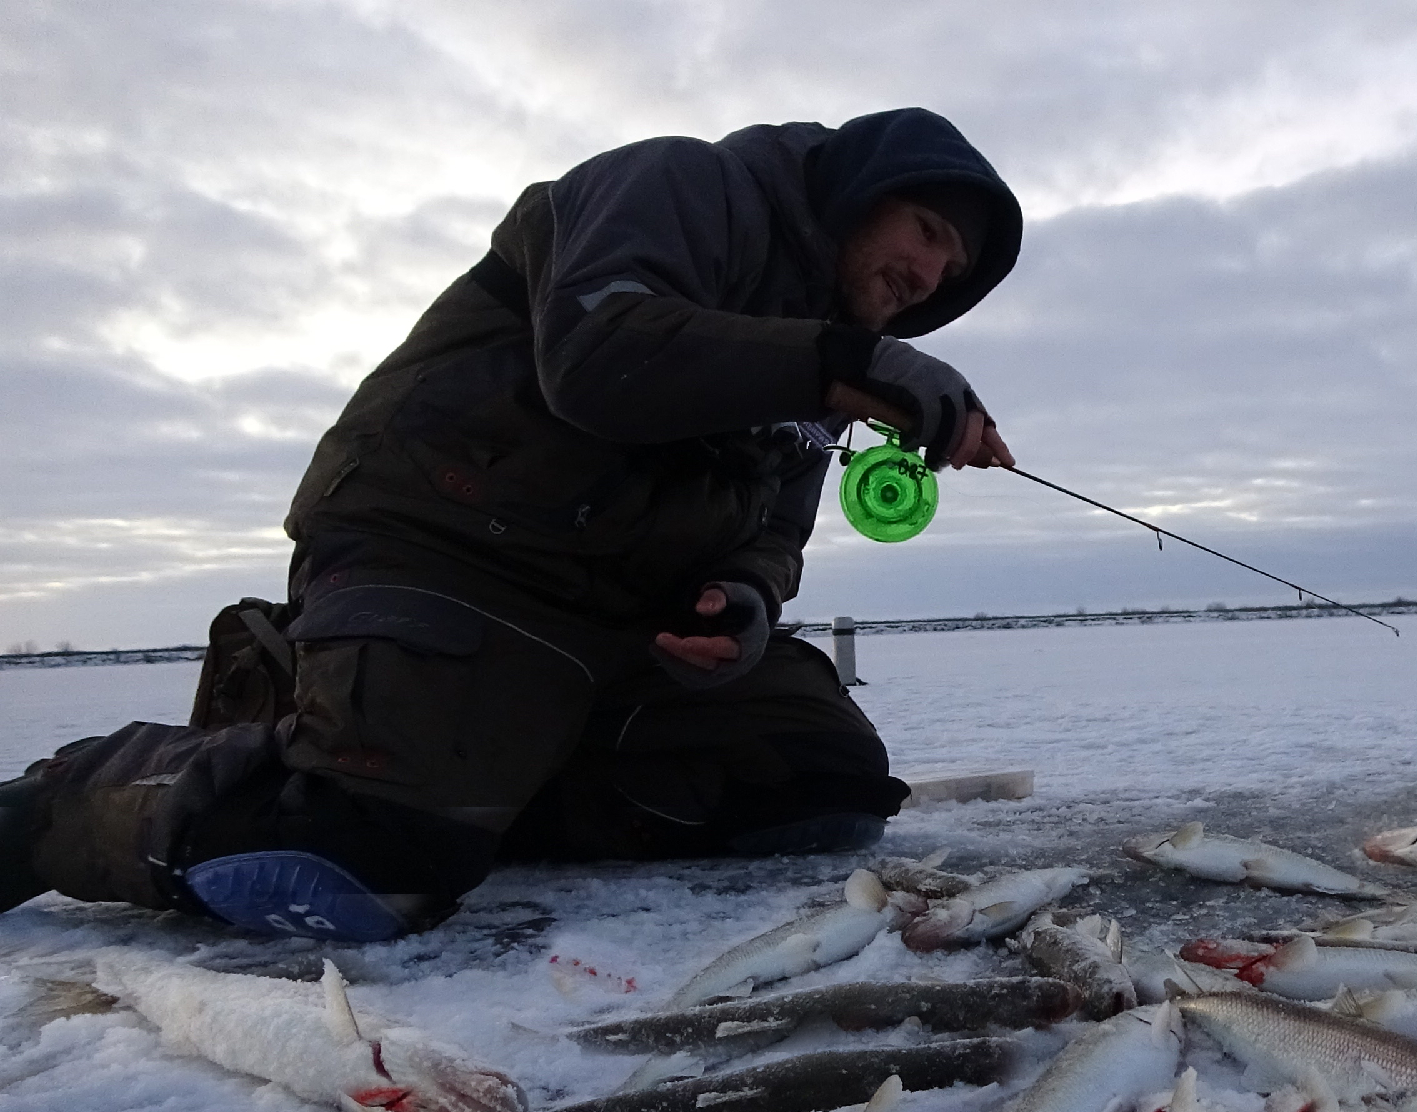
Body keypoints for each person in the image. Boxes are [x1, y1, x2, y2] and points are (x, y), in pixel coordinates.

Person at [0, 108, 1021, 941]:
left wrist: (743, 600)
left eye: (951, 271)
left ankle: (460, 776)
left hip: (607, 625)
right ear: (859, 188)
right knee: (356, 866)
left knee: (819, 787)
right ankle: (58, 805)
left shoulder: (833, 365)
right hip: (443, 551)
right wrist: (849, 361)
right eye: (927, 232)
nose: (931, 276)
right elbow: (598, 355)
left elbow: (775, 531)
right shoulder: (686, 189)